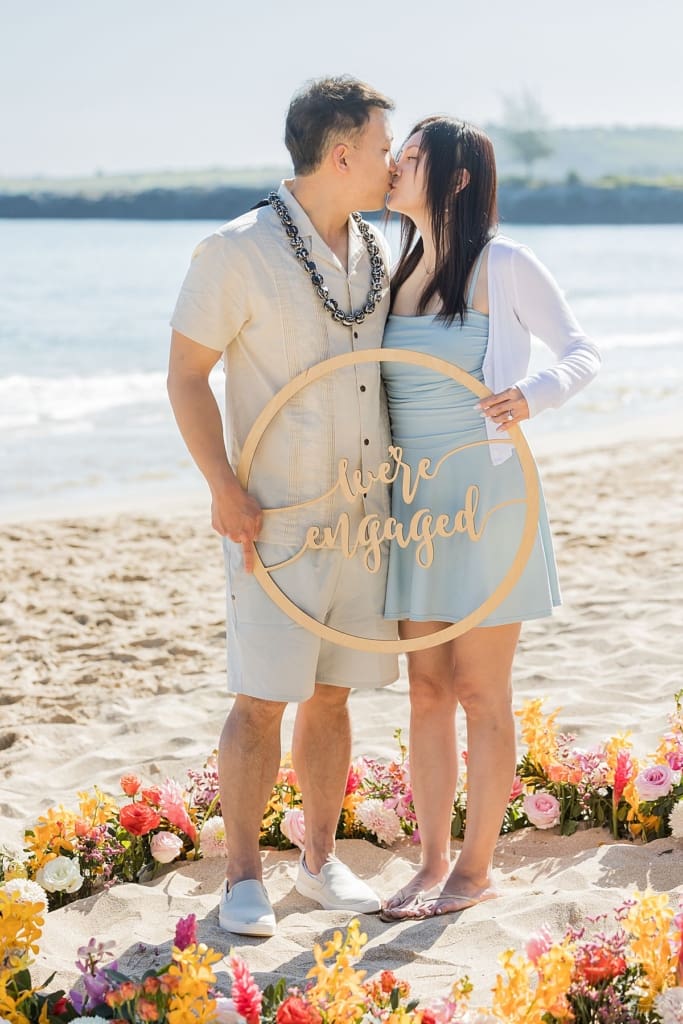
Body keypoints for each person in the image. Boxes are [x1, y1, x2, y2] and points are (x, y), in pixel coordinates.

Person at [167, 77, 399, 937]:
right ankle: (240, 881)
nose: (391, 164)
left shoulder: (380, 250)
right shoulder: (235, 251)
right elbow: (186, 375)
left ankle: (317, 862)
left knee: (334, 696)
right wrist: (223, 489)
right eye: (382, 149)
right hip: (275, 520)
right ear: (342, 154)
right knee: (261, 699)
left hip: (367, 518)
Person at [379, 116, 601, 920]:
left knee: (481, 692)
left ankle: (477, 869)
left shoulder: (504, 262)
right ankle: (431, 861)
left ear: (457, 177)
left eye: (410, 158)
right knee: (425, 689)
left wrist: (532, 397)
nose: (394, 168)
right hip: (412, 506)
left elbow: (580, 350)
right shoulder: (385, 265)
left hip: (489, 497)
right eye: (393, 156)